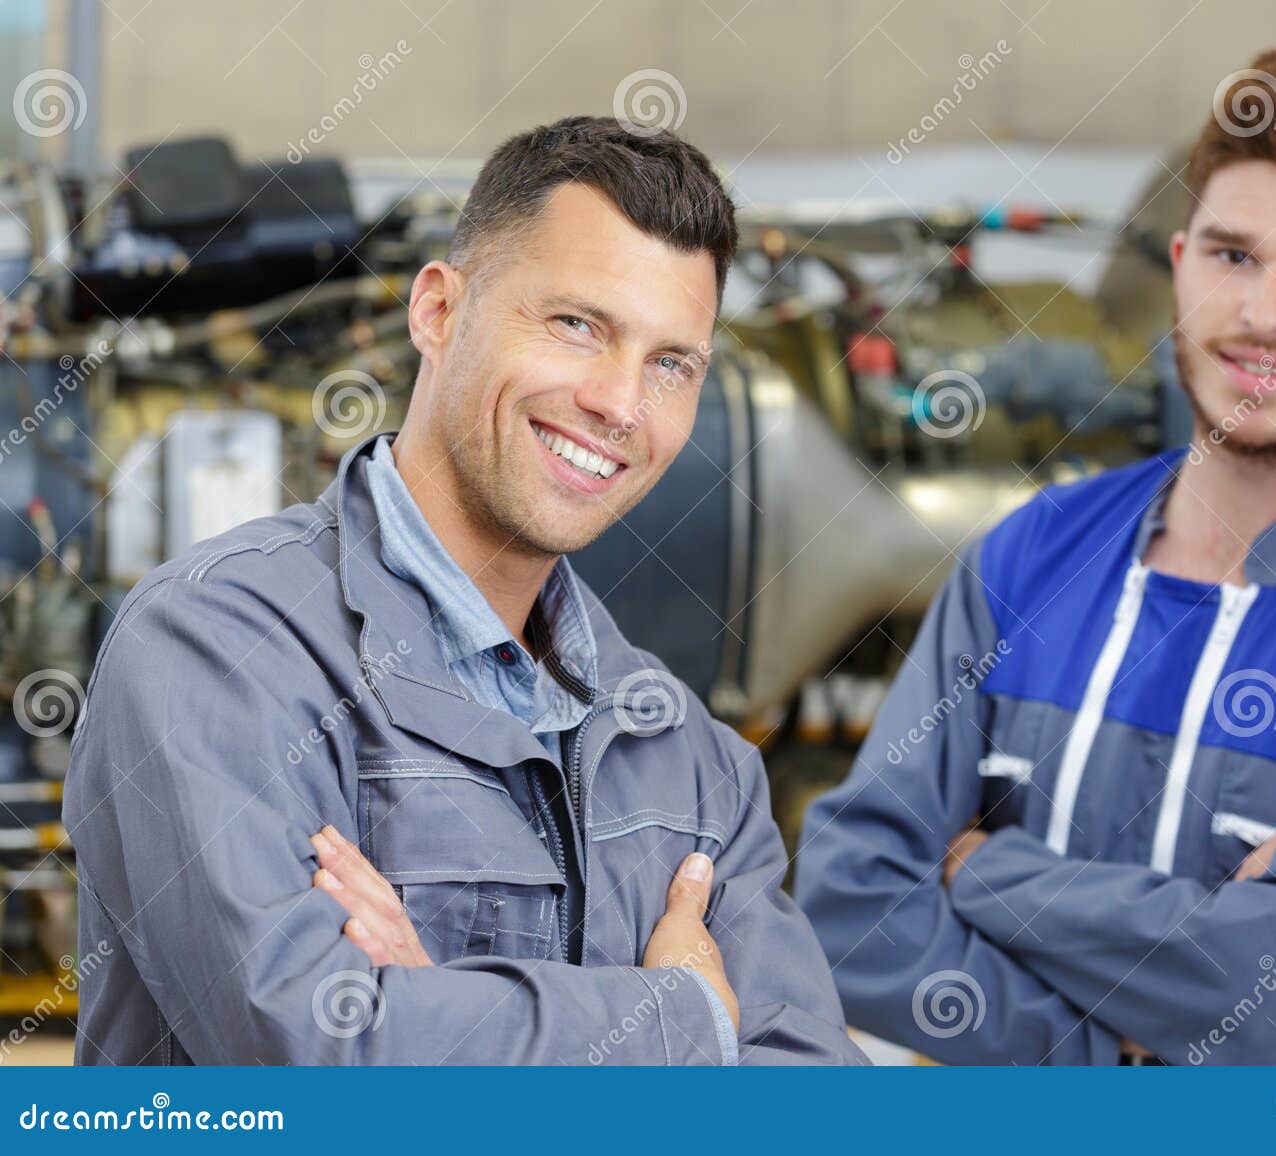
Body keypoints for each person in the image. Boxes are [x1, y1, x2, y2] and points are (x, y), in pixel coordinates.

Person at [65, 117, 865, 1066]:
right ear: (438, 311)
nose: (621, 404)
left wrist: (432, 1008)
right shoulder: (217, 652)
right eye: (577, 324)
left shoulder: (692, 761)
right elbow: (320, 1065)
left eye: (670, 364)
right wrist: (683, 1021)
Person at [795, 48, 1276, 1066]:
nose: (1264, 313)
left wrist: (978, 870)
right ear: (1179, 261)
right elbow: (846, 906)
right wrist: (1124, 1059)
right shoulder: (1027, 559)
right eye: (1233, 256)